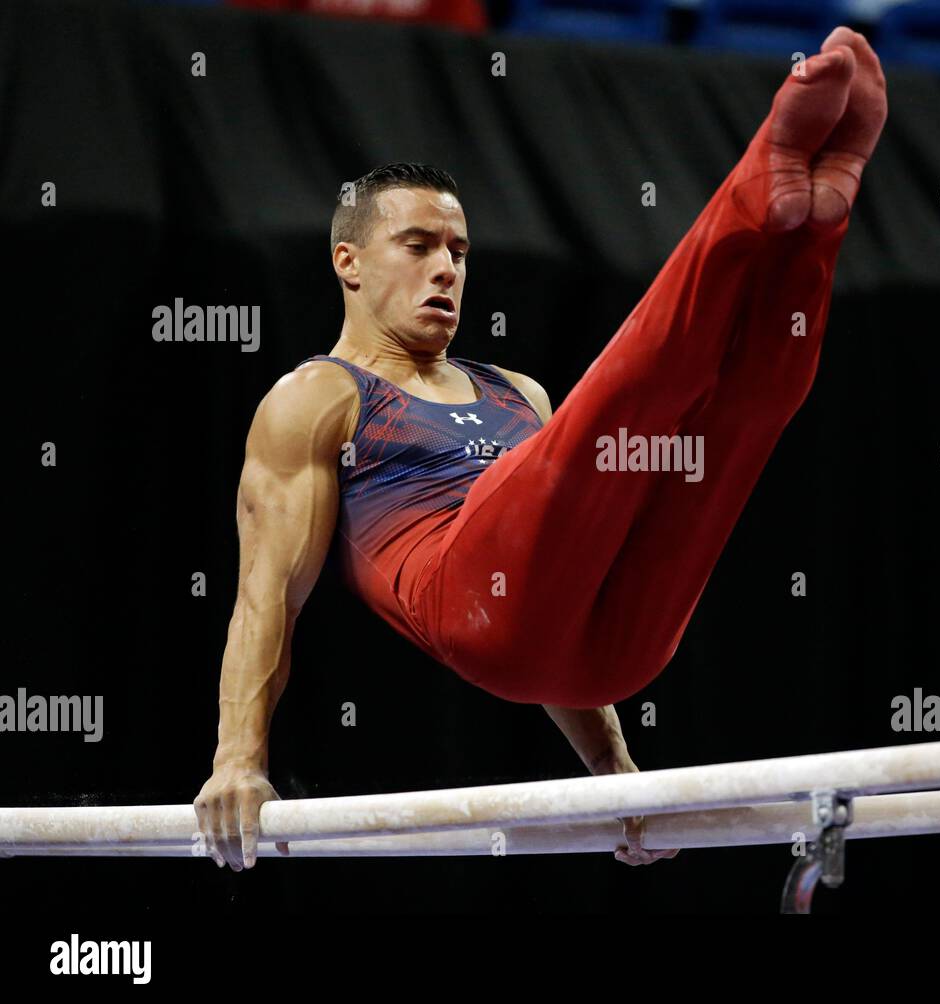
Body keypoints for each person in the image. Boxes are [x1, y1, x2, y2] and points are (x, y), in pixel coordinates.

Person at [193, 26, 888, 871]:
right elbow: (265, 595)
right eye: (416, 247)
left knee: (741, 417)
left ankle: (814, 216)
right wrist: (238, 759)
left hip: (614, 657)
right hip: (471, 606)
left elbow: (564, 566)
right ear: (348, 261)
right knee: (635, 393)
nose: (445, 269)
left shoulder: (515, 392)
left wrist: (613, 777)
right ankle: (760, 181)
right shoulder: (318, 398)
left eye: (457, 251)